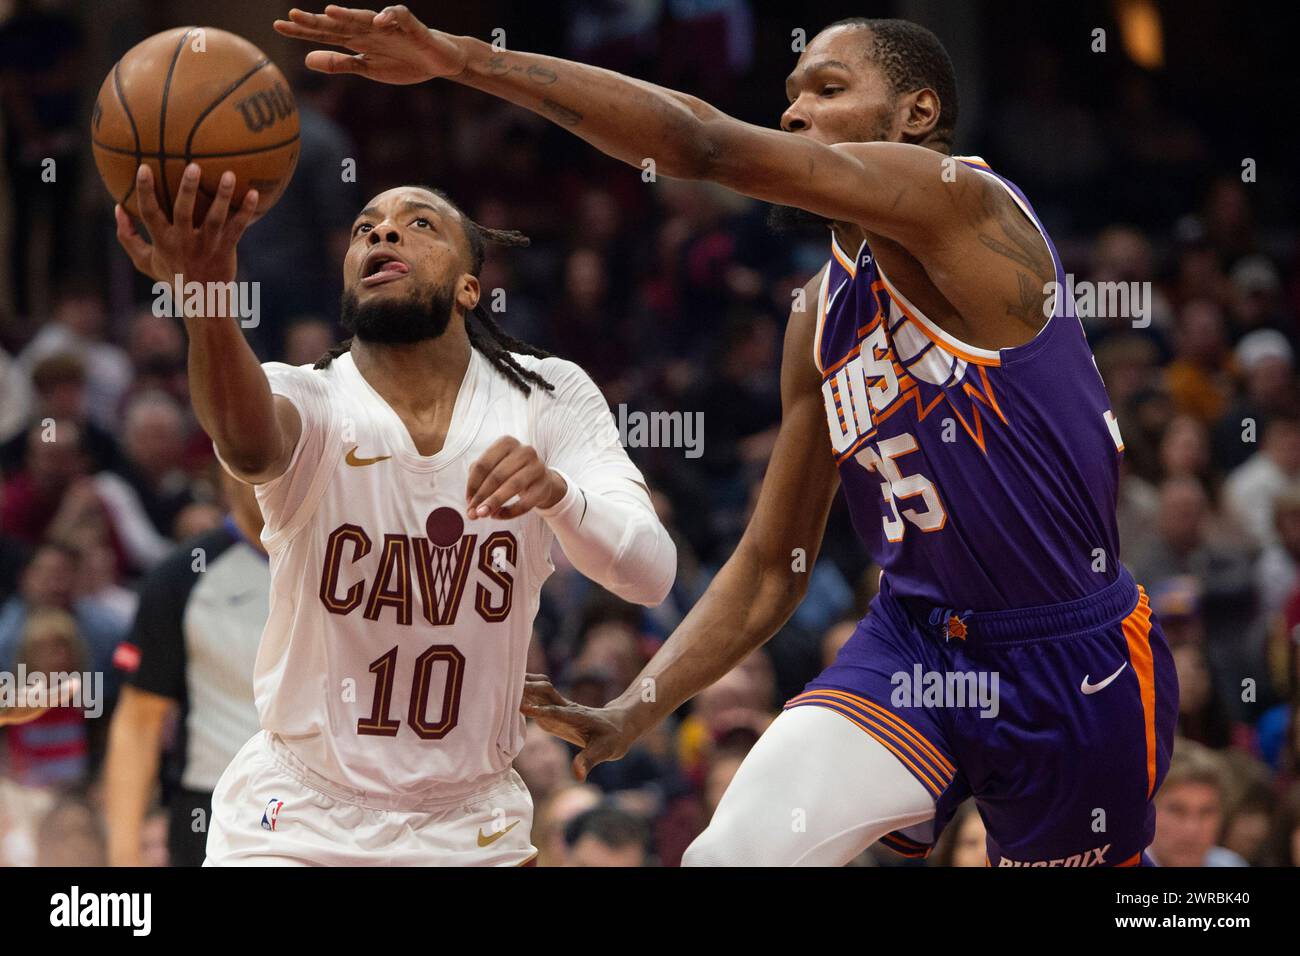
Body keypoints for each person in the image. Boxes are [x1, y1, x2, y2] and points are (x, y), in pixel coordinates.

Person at [276, 7, 1176, 866]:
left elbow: (697, 144)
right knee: (731, 853)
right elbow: (769, 562)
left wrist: (464, 60)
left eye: (826, 89)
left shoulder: (961, 205)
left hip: (1068, 659)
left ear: (918, 115)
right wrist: (638, 707)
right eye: (791, 92)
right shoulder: (818, 316)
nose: (793, 110)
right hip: (916, 642)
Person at [112, 151, 676, 864]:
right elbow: (249, 448)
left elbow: (651, 574)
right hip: (299, 815)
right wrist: (205, 296)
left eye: (418, 224)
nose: (382, 235)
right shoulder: (309, 398)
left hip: (468, 819)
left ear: (471, 287)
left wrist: (560, 497)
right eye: (364, 228)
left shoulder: (546, 396)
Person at [104, 473, 269, 867]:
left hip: (334, 809)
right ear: (227, 473)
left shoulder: (353, 561)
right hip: (214, 810)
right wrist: (124, 854)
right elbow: (139, 720)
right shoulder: (180, 578)